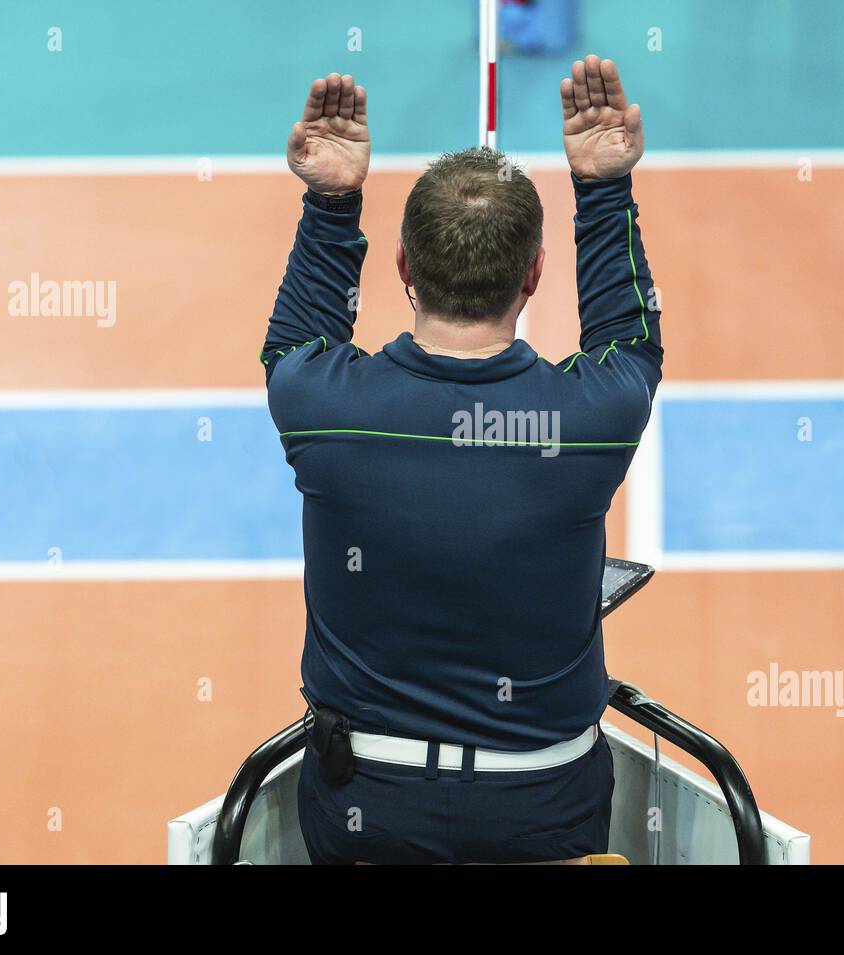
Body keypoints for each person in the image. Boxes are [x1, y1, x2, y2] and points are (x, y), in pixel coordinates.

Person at [260, 56, 659, 861]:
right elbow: (629, 340)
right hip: (546, 803)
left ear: (404, 268)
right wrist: (604, 186)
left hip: (364, 809)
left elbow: (298, 336)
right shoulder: (592, 419)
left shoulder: (320, 403)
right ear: (536, 274)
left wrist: (332, 201)